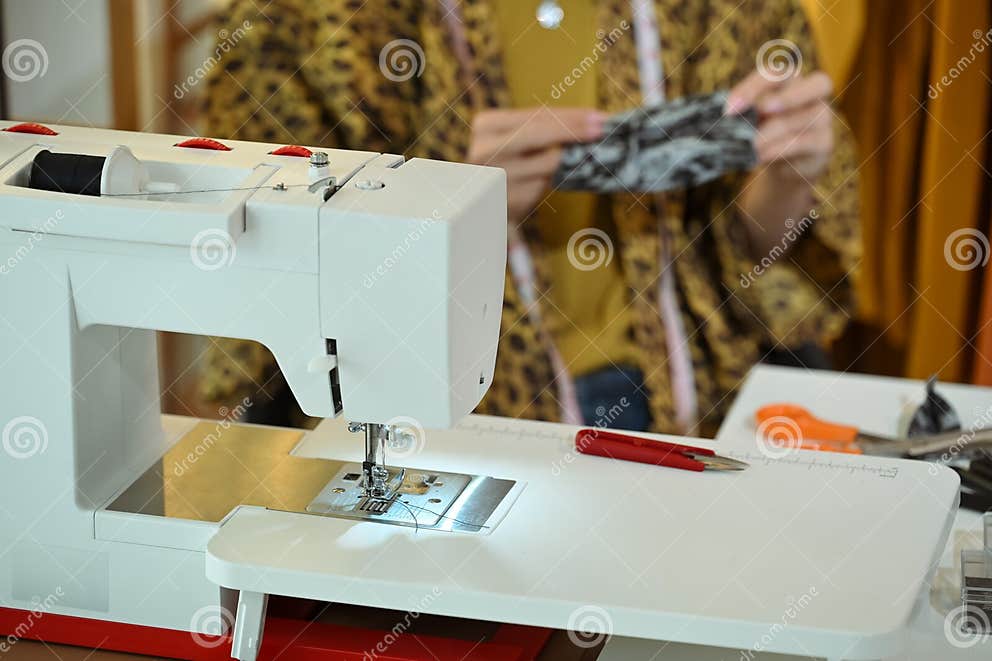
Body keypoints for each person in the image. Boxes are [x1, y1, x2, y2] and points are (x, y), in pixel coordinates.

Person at [199, 0, 859, 436]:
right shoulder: (310, 23)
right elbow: (283, 271)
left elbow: (763, 260)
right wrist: (450, 206)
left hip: (704, 404)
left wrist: (789, 173)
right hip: (462, 416)